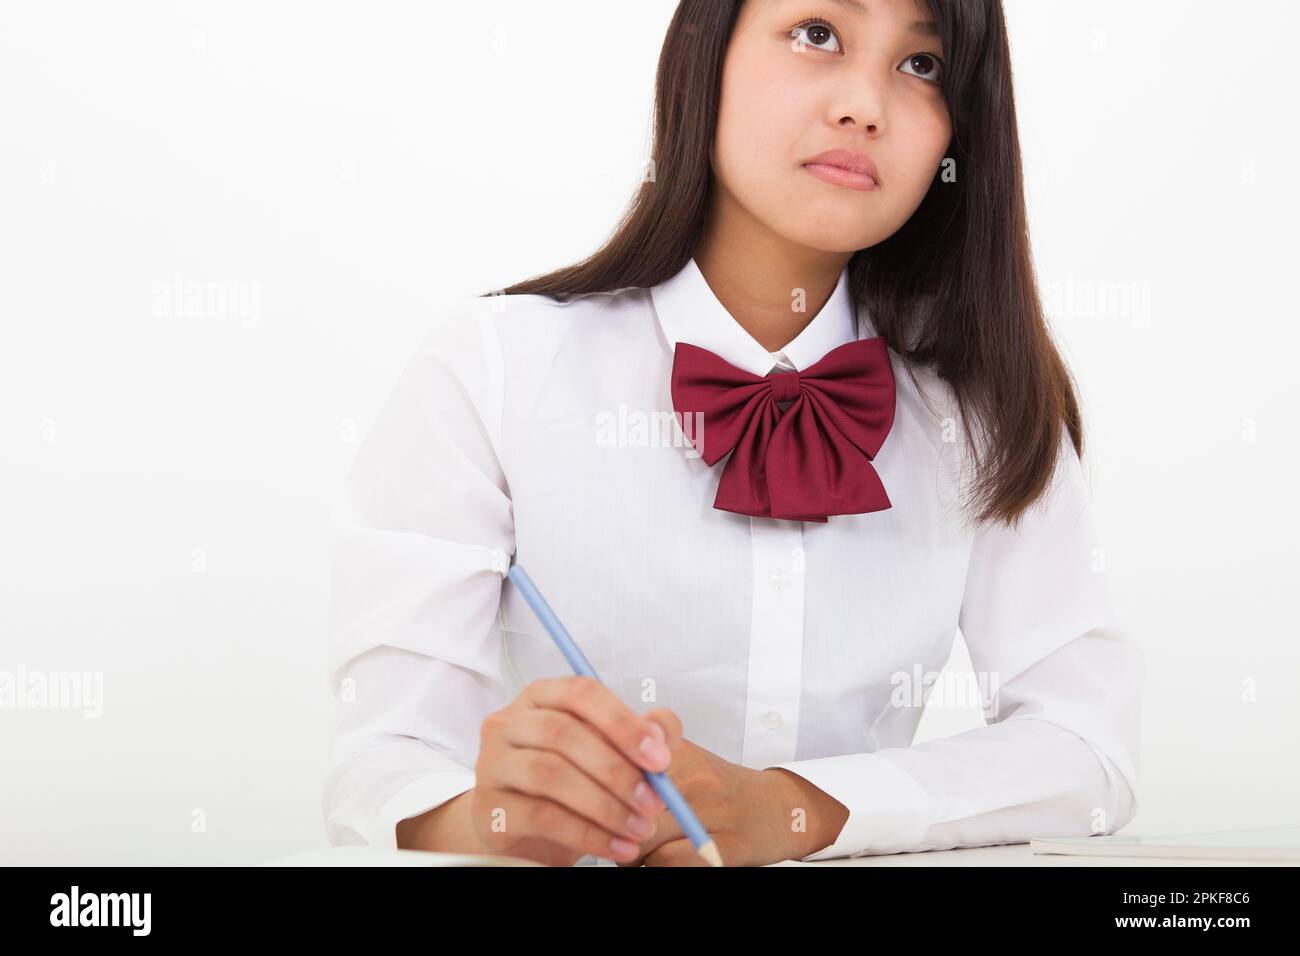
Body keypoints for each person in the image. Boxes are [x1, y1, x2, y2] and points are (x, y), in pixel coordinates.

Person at [322, 0, 1143, 867]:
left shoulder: (987, 406)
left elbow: (1087, 749)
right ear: (702, 55)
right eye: (817, 33)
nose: (865, 104)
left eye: (923, 65)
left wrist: (797, 808)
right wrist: (490, 815)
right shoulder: (491, 368)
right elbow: (383, 761)